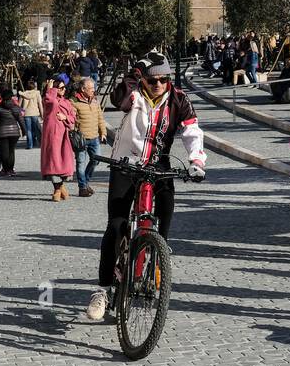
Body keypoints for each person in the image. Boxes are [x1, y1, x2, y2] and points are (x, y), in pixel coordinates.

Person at [86, 52, 206, 322]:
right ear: (144, 79)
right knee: (116, 226)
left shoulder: (179, 99)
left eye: (164, 79)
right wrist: (135, 71)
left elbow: (192, 131)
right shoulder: (134, 94)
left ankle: (161, 253)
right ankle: (102, 291)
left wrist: (196, 160)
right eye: (153, 80)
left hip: (159, 165)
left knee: (166, 210)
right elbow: (118, 99)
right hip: (125, 164)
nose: (159, 84)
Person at [41, 78, 77, 200]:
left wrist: (65, 117)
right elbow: (51, 102)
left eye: (64, 87)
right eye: (61, 88)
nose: (64, 89)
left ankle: (60, 187)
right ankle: (57, 189)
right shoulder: (49, 100)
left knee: (63, 163)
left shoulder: (67, 102)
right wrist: (50, 90)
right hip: (52, 137)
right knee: (53, 163)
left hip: (64, 136)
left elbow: (73, 118)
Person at [71, 77, 108, 197]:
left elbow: (100, 118)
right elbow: (71, 120)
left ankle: (85, 182)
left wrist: (103, 132)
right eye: (91, 88)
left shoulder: (95, 101)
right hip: (81, 139)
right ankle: (82, 187)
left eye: (93, 87)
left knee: (96, 160)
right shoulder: (74, 102)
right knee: (81, 163)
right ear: (83, 89)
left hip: (95, 137)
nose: (93, 90)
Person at [0, 88, 24, 177]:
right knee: (11, 151)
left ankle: (5, 170)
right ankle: (11, 169)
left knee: (4, 152)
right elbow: (21, 119)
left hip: (2, 132)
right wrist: (24, 130)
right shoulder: (16, 107)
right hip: (15, 132)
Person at [19, 80, 43, 150]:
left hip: (26, 114)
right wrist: (42, 115)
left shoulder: (23, 94)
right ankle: (41, 143)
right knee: (37, 129)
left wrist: (21, 113)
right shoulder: (37, 93)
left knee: (28, 130)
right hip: (35, 113)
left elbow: (19, 105)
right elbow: (40, 104)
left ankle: (30, 145)